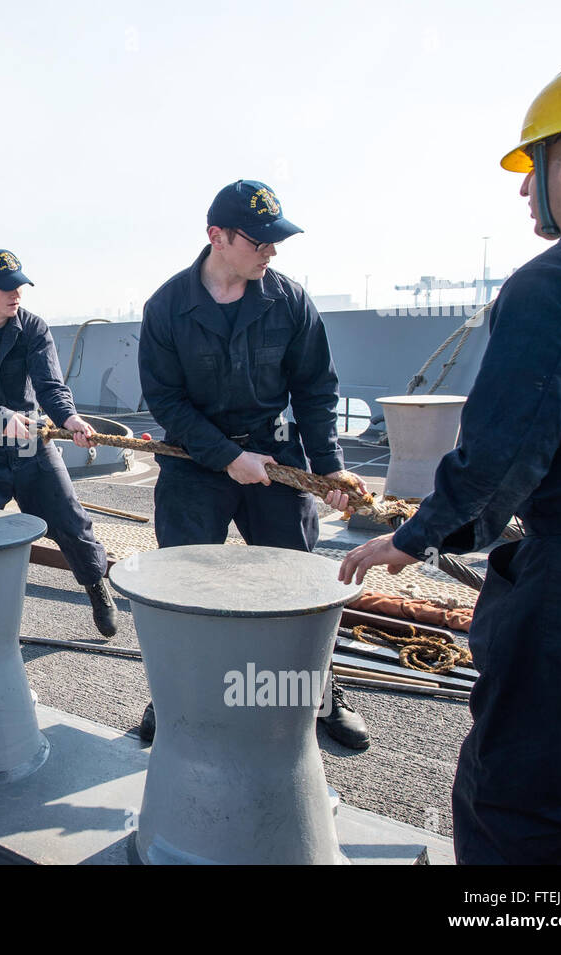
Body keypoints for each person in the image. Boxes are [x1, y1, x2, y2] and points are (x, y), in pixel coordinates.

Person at [340, 54, 561, 864]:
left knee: (514, 811)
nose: (523, 188)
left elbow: (506, 450)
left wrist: (417, 535)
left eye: (531, 164)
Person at [138, 180, 370, 750]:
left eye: (275, 241)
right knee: (183, 583)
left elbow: (315, 388)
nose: (272, 251)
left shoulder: (289, 300)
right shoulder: (166, 308)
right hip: (195, 459)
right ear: (216, 237)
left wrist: (328, 466)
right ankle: (174, 696)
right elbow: (167, 401)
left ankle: (320, 692)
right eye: (259, 241)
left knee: (298, 580)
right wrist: (227, 457)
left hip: (274, 452)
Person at [0, 249, 118, 638]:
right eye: (6, 288)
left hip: (31, 443)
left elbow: (50, 385)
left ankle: (96, 586)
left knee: (70, 521)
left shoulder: (32, 327)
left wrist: (70, 418)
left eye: (19, 286)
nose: (16, 294)